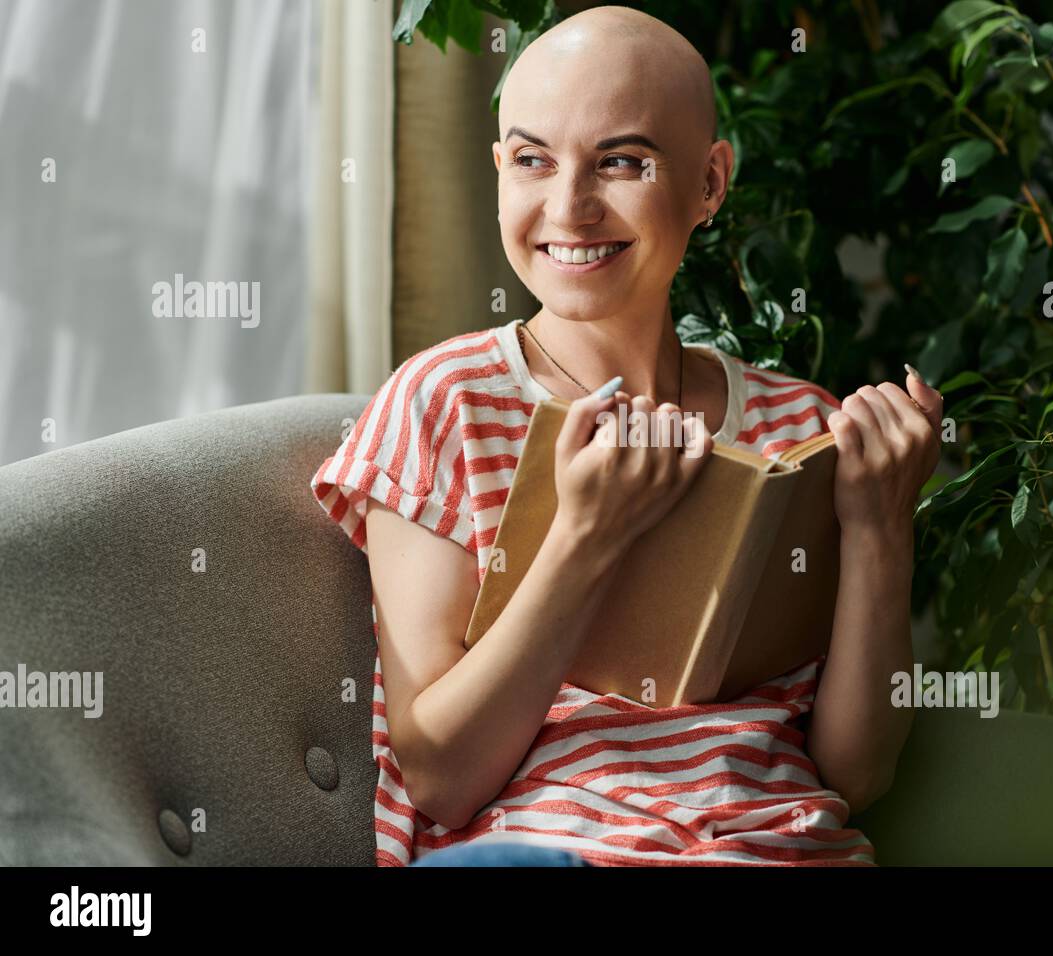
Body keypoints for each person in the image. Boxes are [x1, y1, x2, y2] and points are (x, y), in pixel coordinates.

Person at [310, 5, 942, 867]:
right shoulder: (444, 402)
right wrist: (585, 535)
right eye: (532, 160)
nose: (568, 208)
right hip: (541, 854)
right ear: (499, 171)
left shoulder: (802, 429)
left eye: (622, 162)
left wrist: (881, 529)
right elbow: (441, 778)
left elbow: (856, 773)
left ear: (709, 183)